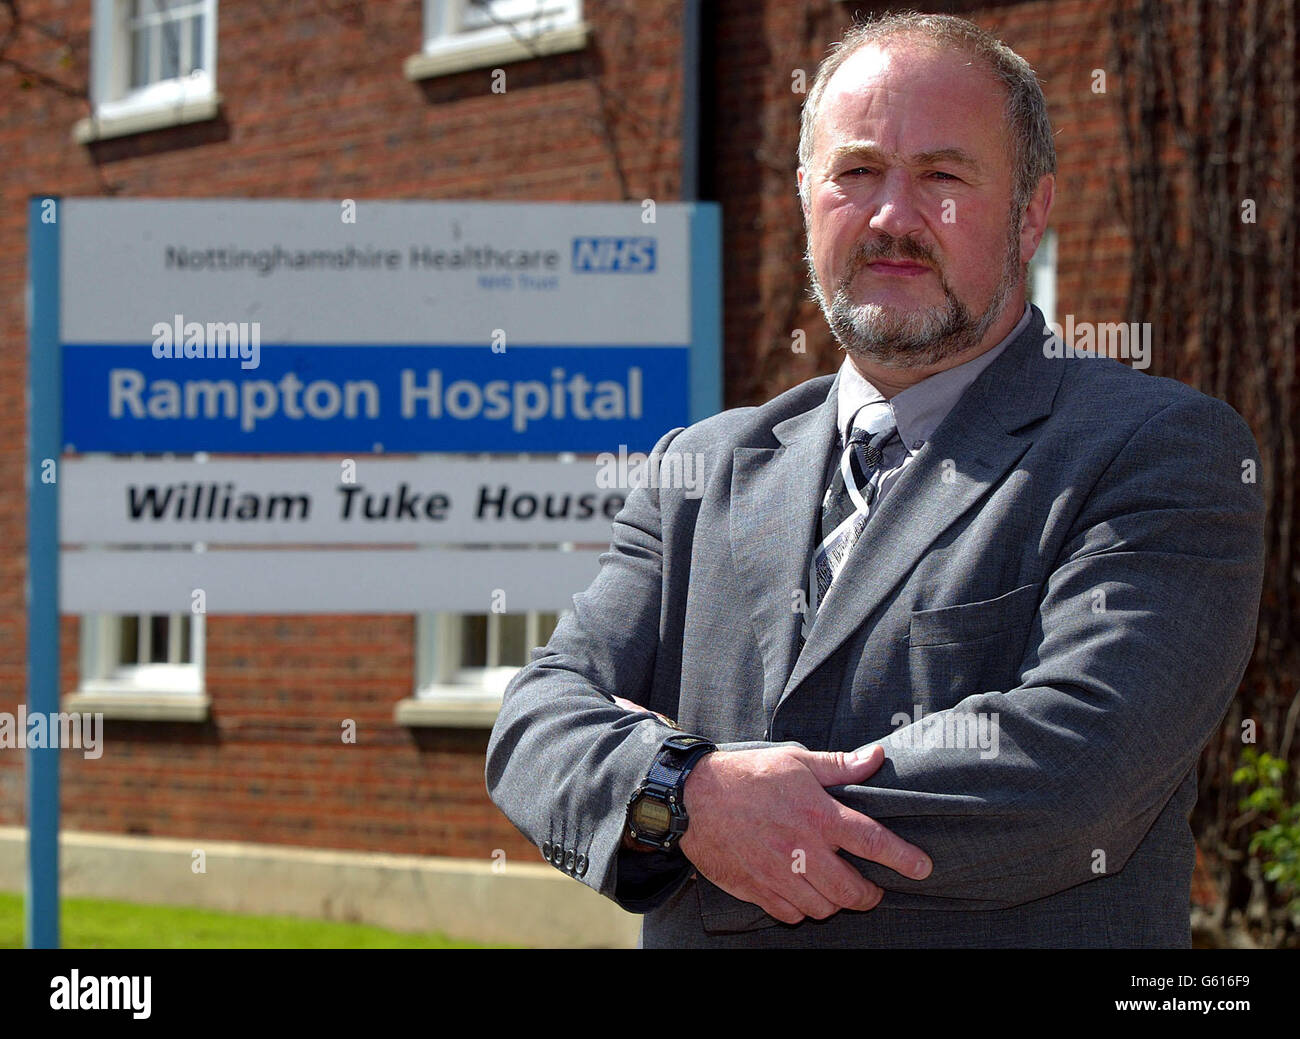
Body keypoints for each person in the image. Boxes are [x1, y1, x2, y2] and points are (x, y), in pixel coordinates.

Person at [485, 12, 1265, 948]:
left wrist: (735, 832)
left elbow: (1077, 769)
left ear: (1030, 213)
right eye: (857, 173)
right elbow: (537, 718)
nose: (892, 216)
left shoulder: (1154, 449)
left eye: (942, 176)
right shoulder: (699, 469)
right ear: (807, 194)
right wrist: (687, 795)